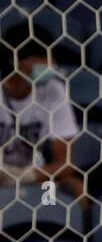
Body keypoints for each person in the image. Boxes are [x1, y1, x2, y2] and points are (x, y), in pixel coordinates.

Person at [1, 42, 86, 206]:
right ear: (17, 62)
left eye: (51, 59)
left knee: (76, 188)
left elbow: (66, 163)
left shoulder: (54, 90)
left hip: (36, 178)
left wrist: (27, 176)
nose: (50, 65)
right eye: (43, 59)